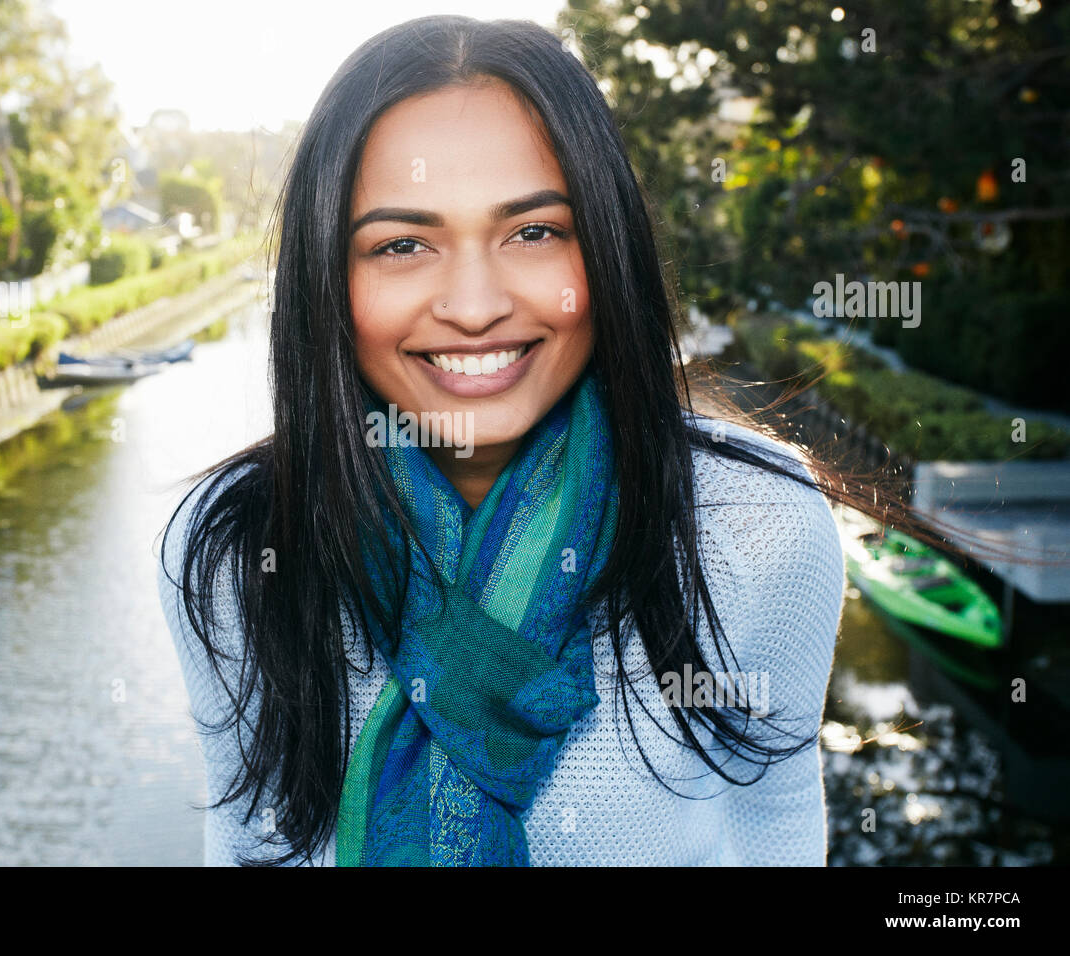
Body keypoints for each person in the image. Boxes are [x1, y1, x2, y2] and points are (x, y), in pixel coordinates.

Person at [157, 14, 854, 866]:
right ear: (325, 280)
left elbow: (776, 827)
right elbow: (241, 841)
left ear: (603, 247)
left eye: (533, 232)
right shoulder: (230, 544)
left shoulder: (755, 524)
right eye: (404, 244)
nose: (476, 304)